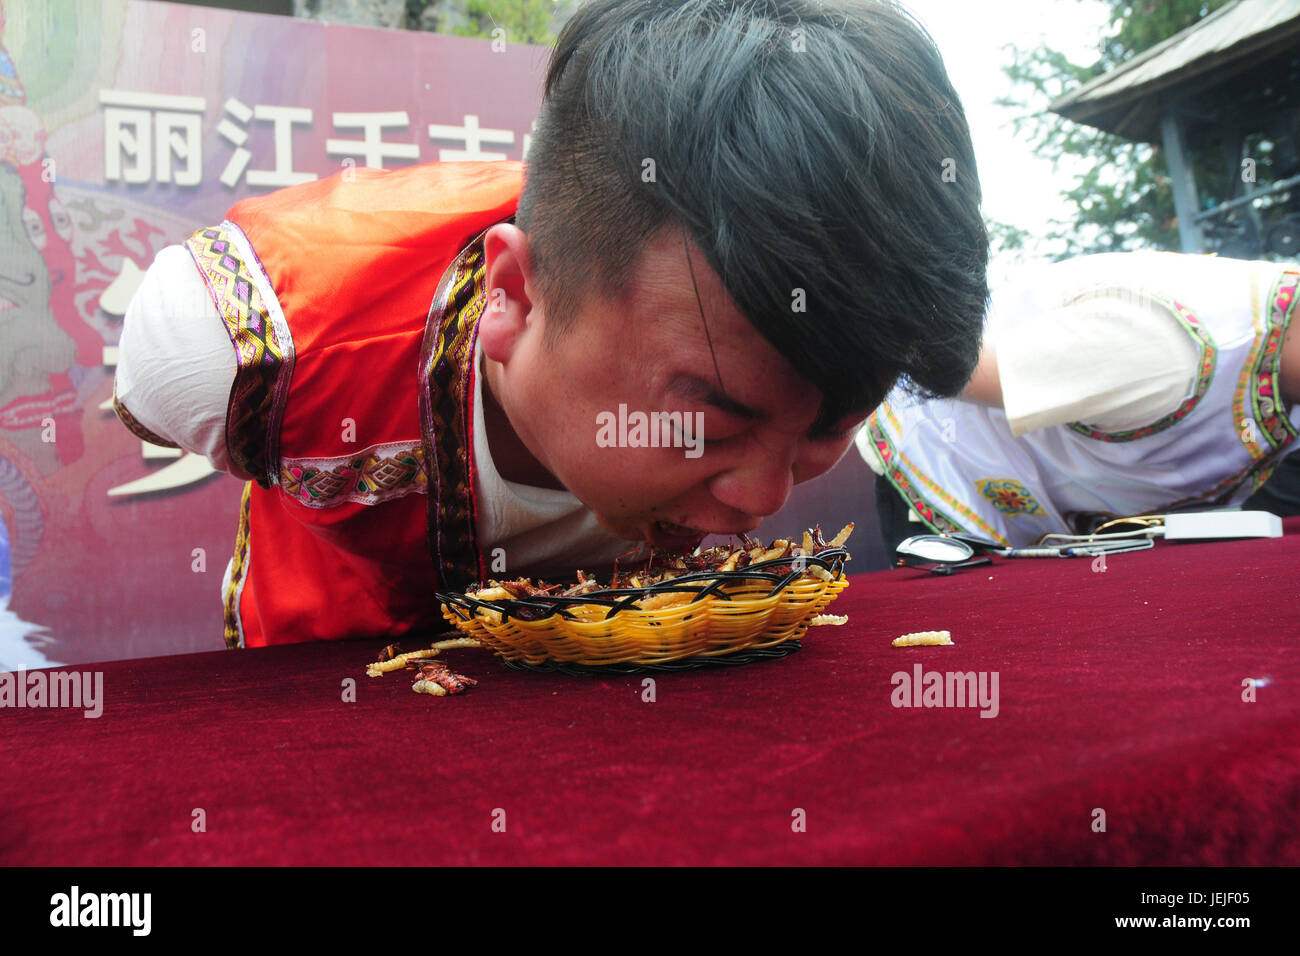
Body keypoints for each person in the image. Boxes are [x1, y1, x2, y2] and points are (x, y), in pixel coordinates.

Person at [113, 0, 989, 647]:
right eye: (715, 422)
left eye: (831, 426)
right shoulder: (245, 340)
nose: (763, 499)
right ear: (516, 297)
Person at [861, 250, 1300, 555]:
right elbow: (948, 369)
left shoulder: (1277, 362)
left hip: (1052, 522)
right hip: (943, 477)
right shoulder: (1162, 351)